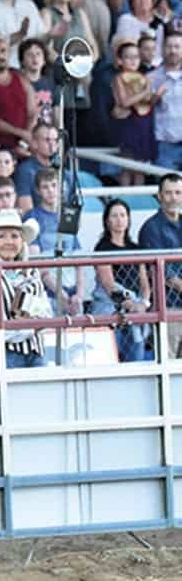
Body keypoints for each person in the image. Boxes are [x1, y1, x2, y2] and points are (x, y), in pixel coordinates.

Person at [0, 209, 50, 369]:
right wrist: (30, 328)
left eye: (14, 236)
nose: (9, 242)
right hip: (0, 353)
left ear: (22, 241)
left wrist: (32, 324)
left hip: (35, 351)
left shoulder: (32, 273)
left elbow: (45, 312)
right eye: (2, 236)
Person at [93, 199, 152, 362]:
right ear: (107, 221)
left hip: (136, 307)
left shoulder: (135, 248)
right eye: (114, 216)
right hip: (112, 308)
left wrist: (144, 303)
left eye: (123, 215)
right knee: (112, 357)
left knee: (137, 356)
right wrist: (130, 305)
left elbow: (145, 282)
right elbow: (108, 284)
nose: (119, 220)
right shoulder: (102, 248)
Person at [24, 169, 83, 315]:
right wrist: (61, 295)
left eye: (54, 185)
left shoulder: (68, 214)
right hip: (48, 294)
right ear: (38, 191)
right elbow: (37, 263)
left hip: (73, 293)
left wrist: (79, 295)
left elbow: (78, 259)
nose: (51, 191)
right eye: (45, 187)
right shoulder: (32, 217)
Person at [138, 173, 182, 358]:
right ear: (159, 196)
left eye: (178, 192)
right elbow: (161, 270)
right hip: (167, 306)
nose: (174, 198)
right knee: (169, 360)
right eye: (169, 193)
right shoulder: (151, 228)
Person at [112, 38, 159, 187]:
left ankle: (139, 202)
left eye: (136, 57)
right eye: (128, 57)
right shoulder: (118, 78)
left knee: (140, 168)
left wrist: (155, 97)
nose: (133, 61)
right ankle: (125, 199)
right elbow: (124, 102)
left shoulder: (143, 77)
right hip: (129, 124)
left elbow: (149, 102)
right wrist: (145, 92)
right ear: (120, 60)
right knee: (127, 167)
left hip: (144, 124)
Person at [151, 32, 182, 170]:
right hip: (165, 144)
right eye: (169, 46)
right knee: (167, 187)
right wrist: (156, 97)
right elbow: (143, 109)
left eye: (177, 46)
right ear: (163, 49)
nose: (173, 50)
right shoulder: (151, 78)